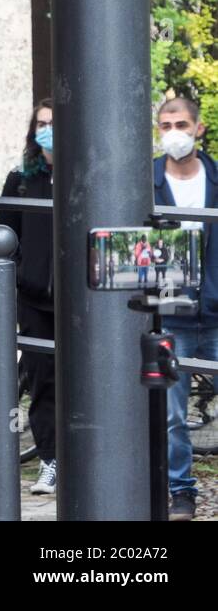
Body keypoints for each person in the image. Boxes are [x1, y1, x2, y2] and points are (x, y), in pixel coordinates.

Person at [153, 95, 218, 522]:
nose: (173, 133)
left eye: (181, 124)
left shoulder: (215, 178)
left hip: (215, 310)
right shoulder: (147, 180)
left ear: (198, 128)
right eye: (165, 125)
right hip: (170, 313)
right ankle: (181, 492)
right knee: (172, 414)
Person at [0, 99, 57, 496]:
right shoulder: (20, 179)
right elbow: (3, 236)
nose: (47, 130)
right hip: (34, 300)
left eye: (54, 123)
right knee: (42, 381)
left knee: (87, 379)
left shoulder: (88, 173)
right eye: (41, 123)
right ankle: (51, 461)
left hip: (80, 300)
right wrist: (22, 276)